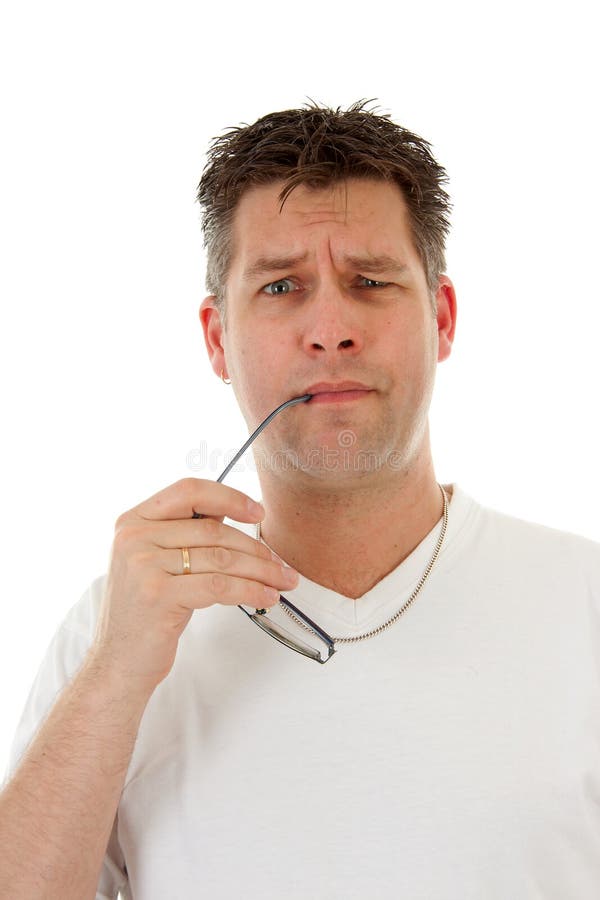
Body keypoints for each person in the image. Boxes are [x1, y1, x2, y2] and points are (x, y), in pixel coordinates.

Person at [1, 100, 599, 900]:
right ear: (218, 340)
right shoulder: (115, 628)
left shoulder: (583, 605)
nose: (329, 329)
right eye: (282, 286)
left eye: (372, 282)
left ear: (441, 317)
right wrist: (116, 675)